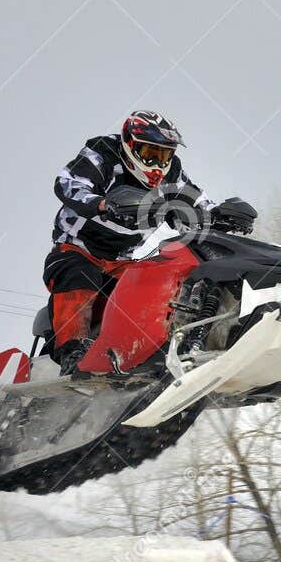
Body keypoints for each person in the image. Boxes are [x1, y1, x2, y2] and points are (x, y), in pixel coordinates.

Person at [42, 109, 213, 373]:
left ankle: (147, 351)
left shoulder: (172, 173)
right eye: (150, 154)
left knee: (154, 282)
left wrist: (221, 214)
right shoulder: (103, 153)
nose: (157, 165)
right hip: (78, 247)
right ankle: (72, 353)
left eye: (165, 155)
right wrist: (101, 202)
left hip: (123, 258)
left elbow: (196, 201)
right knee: (78, 274)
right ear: (129, 143)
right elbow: (68, 182)